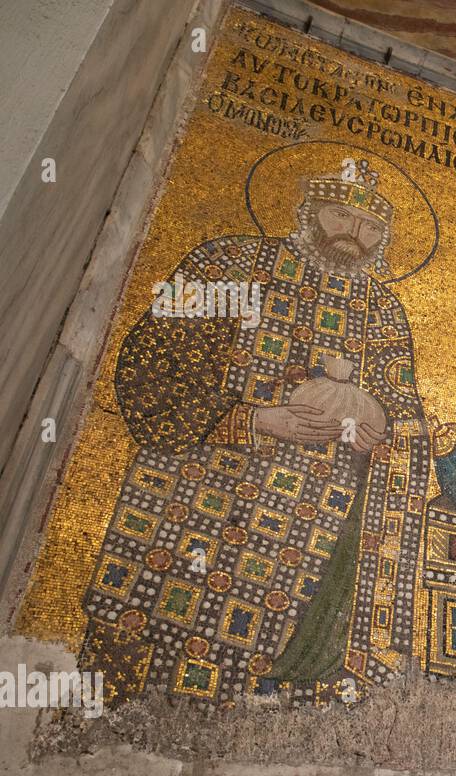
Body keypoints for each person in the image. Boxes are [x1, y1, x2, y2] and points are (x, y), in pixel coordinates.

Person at [80, 160, 428, 708]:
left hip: (311, 518)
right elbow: (147, 369)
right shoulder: (231, 262)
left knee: (257, 655)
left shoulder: (381, 309)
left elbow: (405, 411)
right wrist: (254, 419)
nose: (352, 235)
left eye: (368, 227)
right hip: (200, 484)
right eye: (342, 215)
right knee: (158, 620)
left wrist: (376, 426)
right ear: (310, 213)